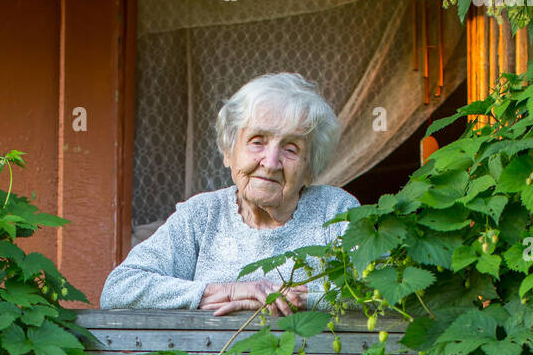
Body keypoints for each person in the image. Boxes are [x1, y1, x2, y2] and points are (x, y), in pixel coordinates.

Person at [100, 72, 359, 317]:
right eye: (257, 141)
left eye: (291, 149)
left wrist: (295, 300)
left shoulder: (335, 211)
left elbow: (377, 293)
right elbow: (120, 289)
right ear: (228, 151)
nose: (270, 162)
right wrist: (226, 291)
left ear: (310, 169)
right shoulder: (202, 215)